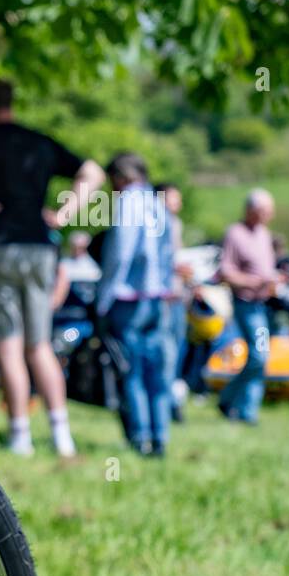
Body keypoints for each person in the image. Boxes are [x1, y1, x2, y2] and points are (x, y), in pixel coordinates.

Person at [0, 78, 104, 456]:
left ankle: (20, 434)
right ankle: (61, 435)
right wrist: (64, 215)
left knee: (8, 345)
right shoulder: (39, 142)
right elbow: (93, 173)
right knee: (39, 344)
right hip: (40, 248)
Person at [96, 153, 175, 456]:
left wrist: (103, 298)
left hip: (129, 300)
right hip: (157, 299)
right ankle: (160, 436)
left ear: (121, 177)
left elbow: (120, 253)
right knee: (156, 372)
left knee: (132, 371)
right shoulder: (157, 202)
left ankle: (140, 437)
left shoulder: (129, 201)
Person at [217, 188, 285, 424]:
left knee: (261, 357)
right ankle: (230, 399)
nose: (269, 215)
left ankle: (247, 410)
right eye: (265, 211)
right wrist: (255, 282)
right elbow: (226, 272)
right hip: (246, 303)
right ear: (251, 210)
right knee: (259, 355)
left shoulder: (264, 234)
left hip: (264, 303)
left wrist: (275, 280)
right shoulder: (235, 234)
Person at [155, 183, 190, 421]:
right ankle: (167, 403)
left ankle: (172, 399)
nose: (178, 203)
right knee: (166, 353)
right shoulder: (154, 225)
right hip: (163, 298)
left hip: (177, 296)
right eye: (173, 198)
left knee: (176, 352)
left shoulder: (175, 224)